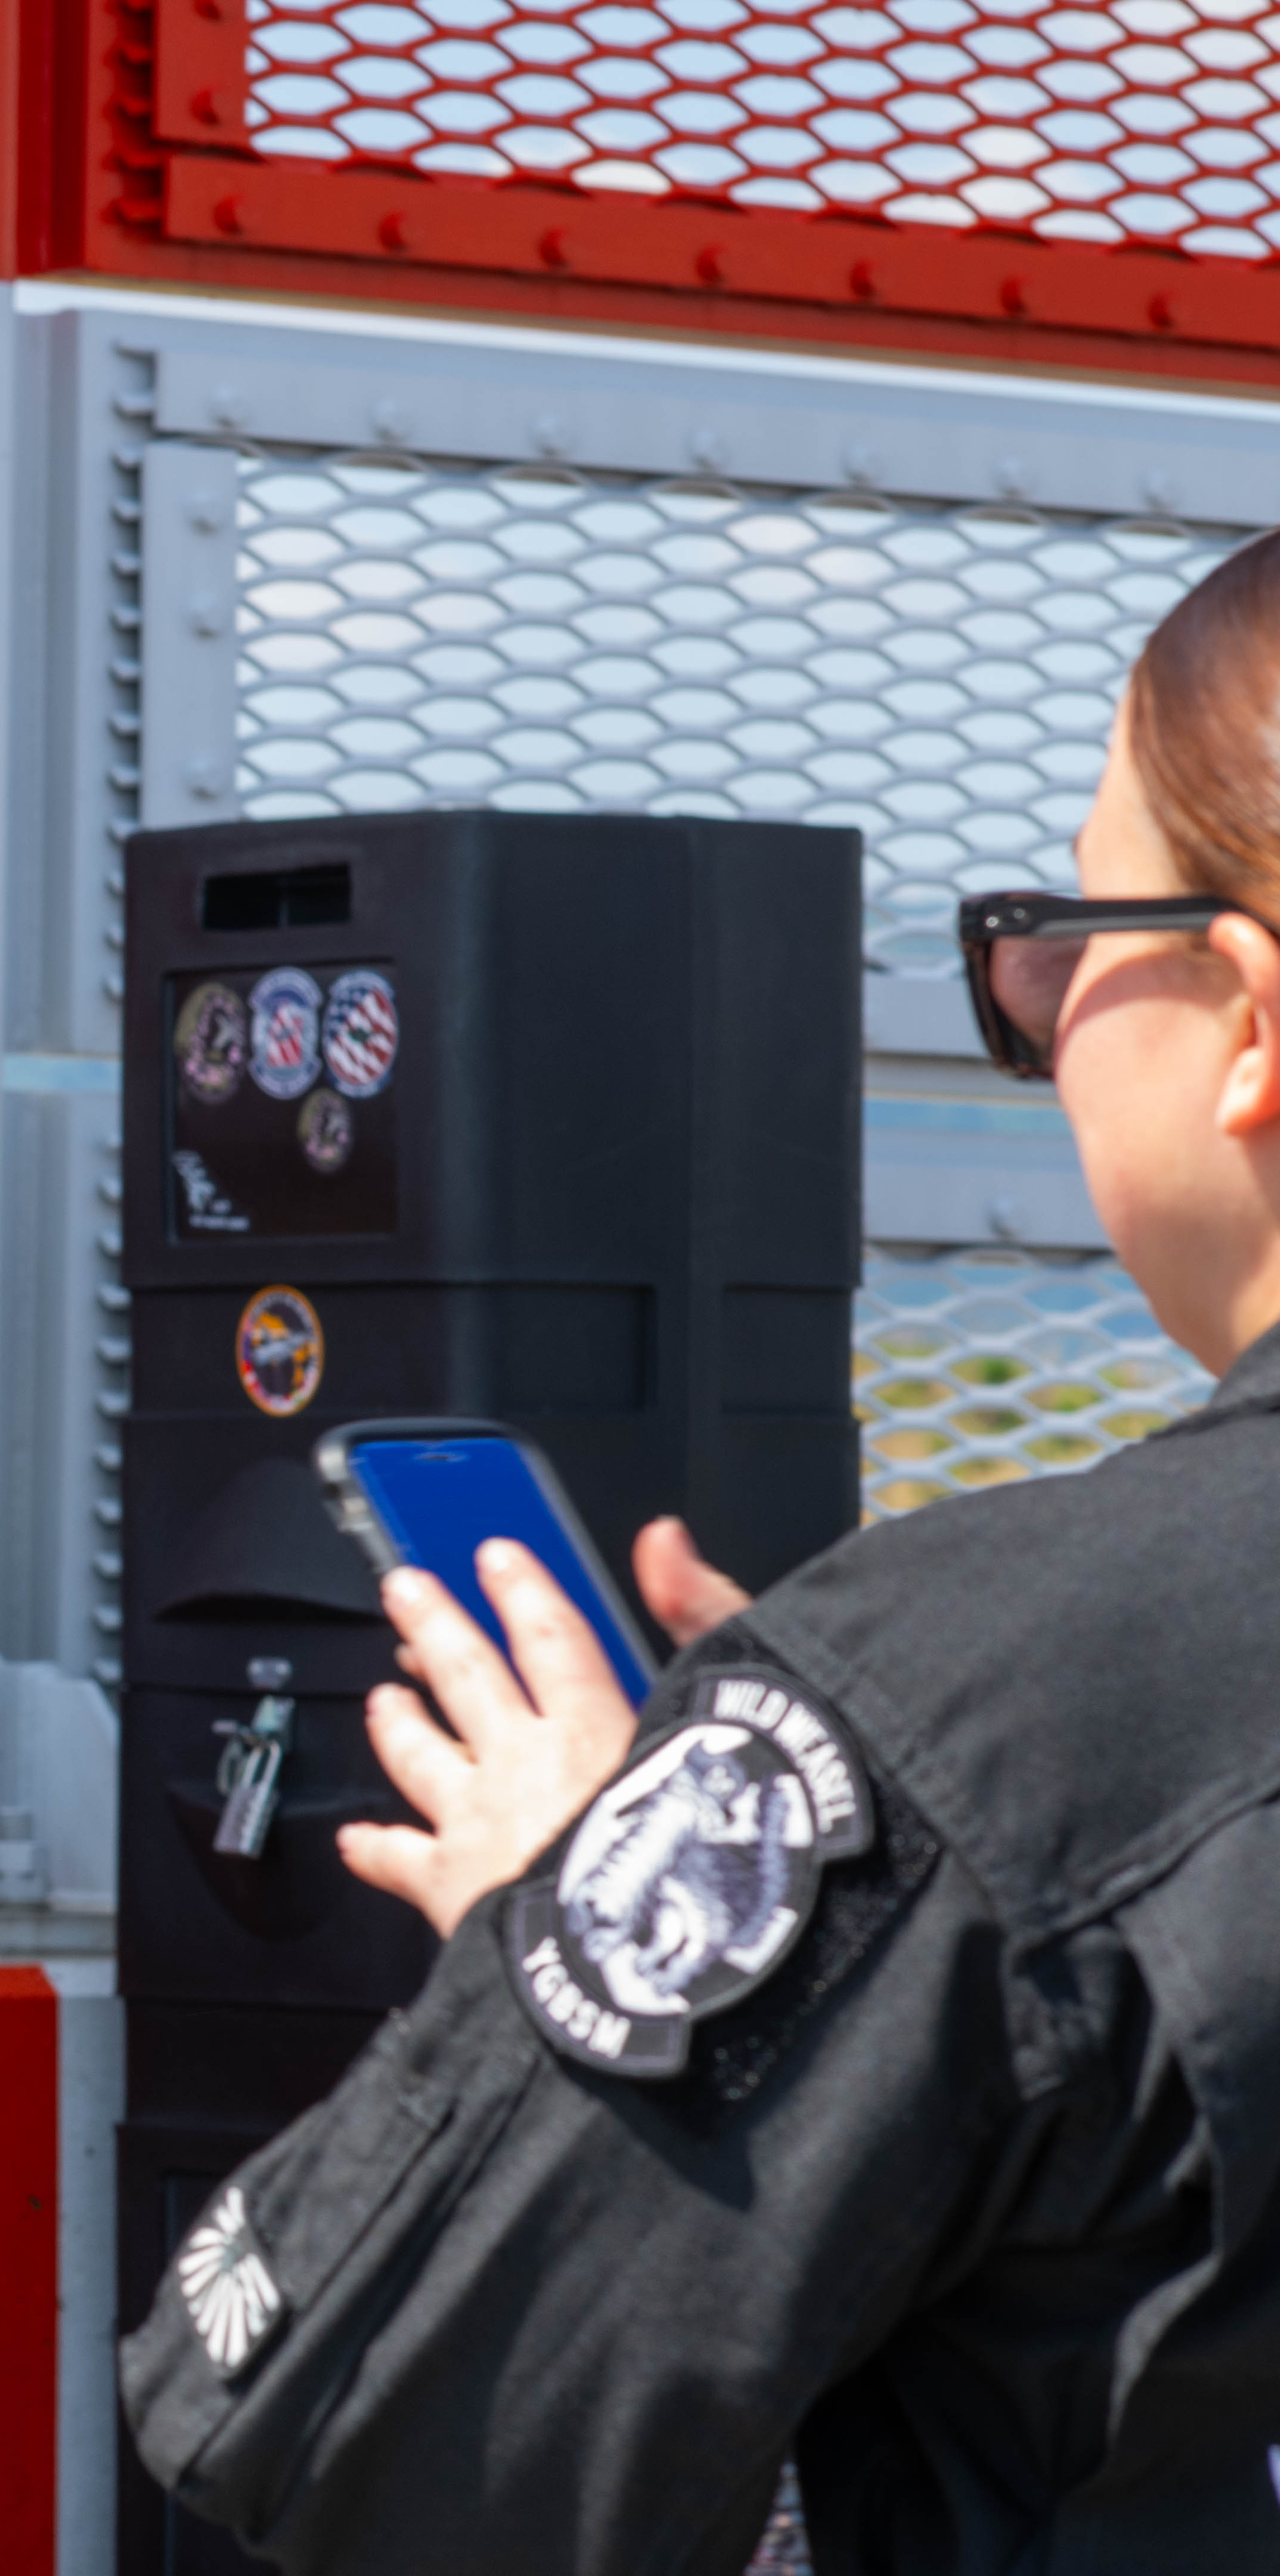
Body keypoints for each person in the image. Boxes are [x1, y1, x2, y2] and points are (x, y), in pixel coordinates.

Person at [121, 540, 1280, 2568]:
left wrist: (589, 1922)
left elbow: (342, 2424)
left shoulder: (963, 1712)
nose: (1041, 1012)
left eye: (1049, 941)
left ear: (1246, 1014)